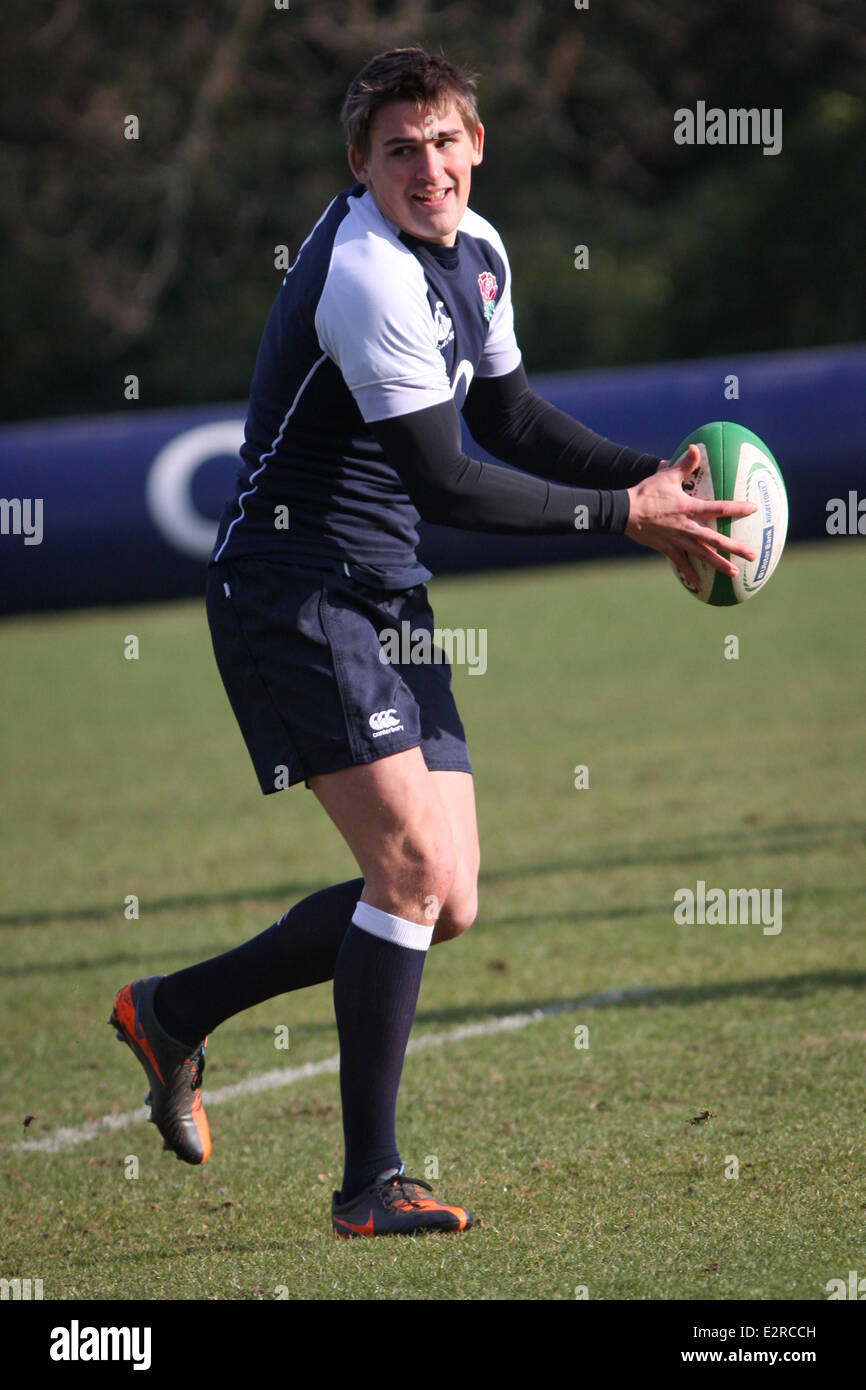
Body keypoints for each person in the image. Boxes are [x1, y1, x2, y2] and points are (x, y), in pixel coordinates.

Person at [108, 46, 756, 1238]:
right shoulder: (363, 273)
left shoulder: (482, 251)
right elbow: (448, 477)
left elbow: (507, 416)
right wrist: (629, 516)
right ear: (358, 164)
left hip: (385, 592)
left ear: (474, 144)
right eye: (397, 149)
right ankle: (368, 1186)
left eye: (444, 140)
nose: (427, 166)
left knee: (442, 899)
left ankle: (172, 1008)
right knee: (404, 876)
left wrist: (654, 482)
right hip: (291, 591)